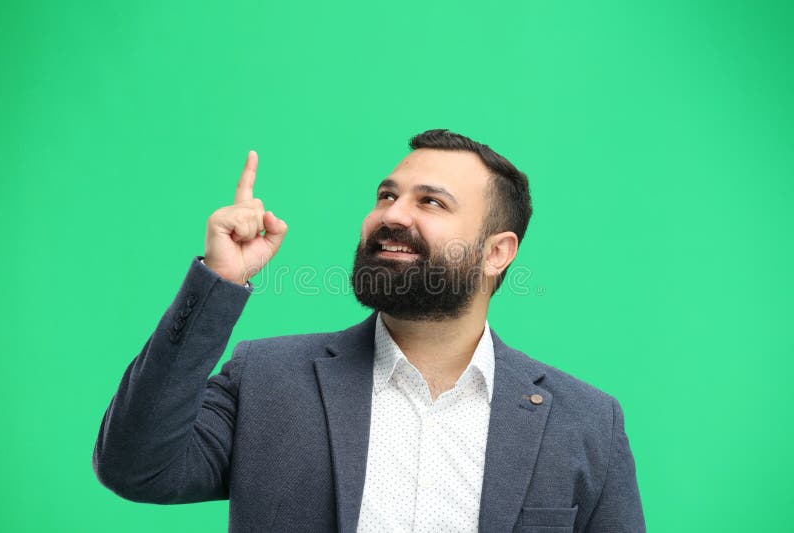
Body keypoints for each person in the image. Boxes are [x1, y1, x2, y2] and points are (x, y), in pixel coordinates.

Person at [93, 129, 645, 532]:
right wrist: (218, 283)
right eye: (387, 195)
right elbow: (135, 467)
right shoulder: (266, 380)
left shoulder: (587, 424)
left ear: (496, 253)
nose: (392, 215)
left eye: (431, 202)